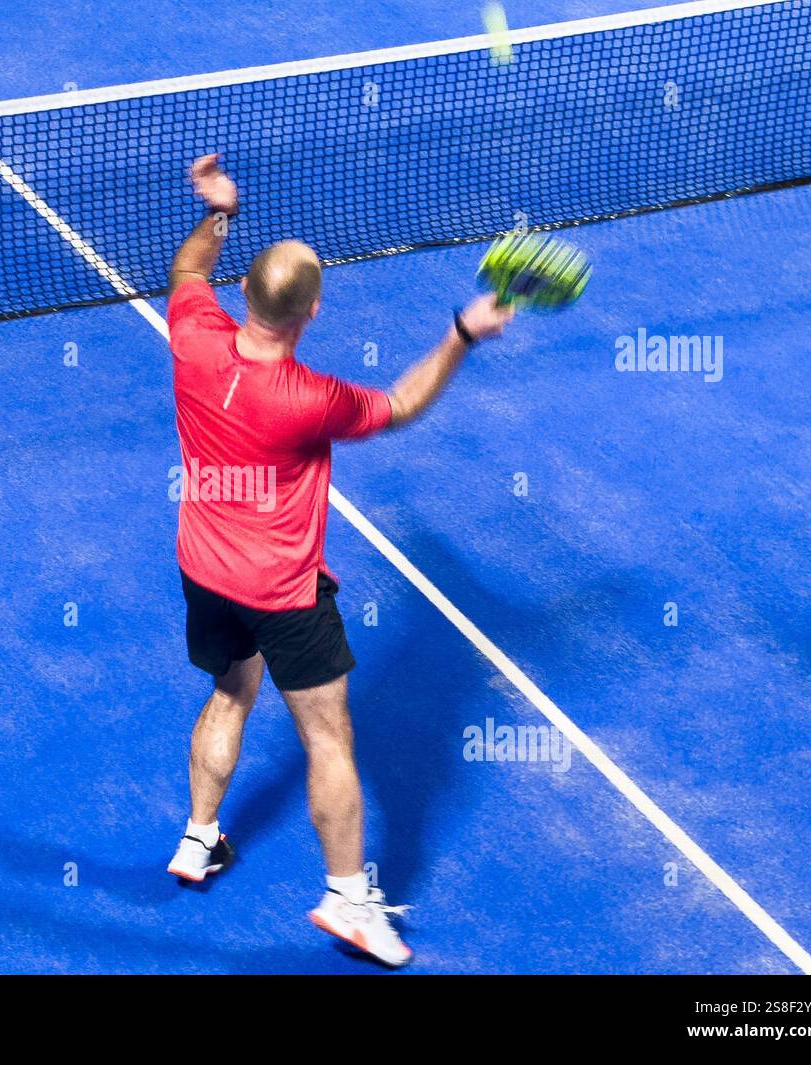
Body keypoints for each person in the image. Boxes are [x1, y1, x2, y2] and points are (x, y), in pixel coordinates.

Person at [164, 154, 514, 967]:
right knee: (328, 739)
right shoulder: (310, 399)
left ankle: (198, 837)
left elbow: (187, 271)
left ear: (241, 292)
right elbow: (401, 404)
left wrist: (221, 212)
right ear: (313, 311)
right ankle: (349, 900)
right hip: (283, 592)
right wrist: (463, 333)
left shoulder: (192, 335)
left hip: (203, 568)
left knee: (230, 688)